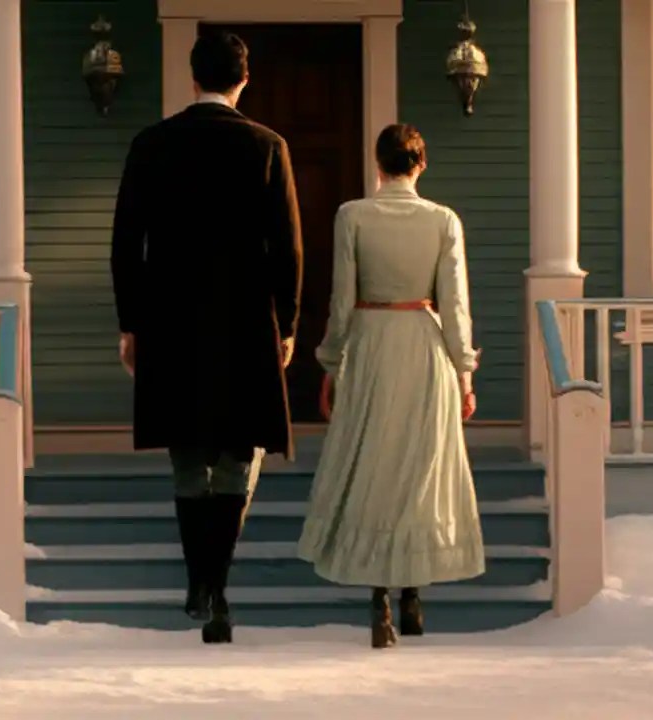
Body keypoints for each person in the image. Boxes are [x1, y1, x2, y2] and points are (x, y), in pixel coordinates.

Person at [110, 30, 303, 645]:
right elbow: (289, 248)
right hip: (246, 322)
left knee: (189, 457)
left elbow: (125, 245)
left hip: (170, 321)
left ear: (192, 78)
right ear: (244, 80)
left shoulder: (151, 144)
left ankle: (201, 582)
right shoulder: (268, 146)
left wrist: (131, 322)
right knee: (240, 456)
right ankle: (216, 587)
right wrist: (289, 322)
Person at [298, 124, 484, 649]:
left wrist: (331, 363)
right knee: (418, 471)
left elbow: (341, 300)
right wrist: (464, 371)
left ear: (378, 165)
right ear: (420, 165)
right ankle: (411, 596)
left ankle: (379, 596)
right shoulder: (443, 220)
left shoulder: (352, 216)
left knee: (375, 466)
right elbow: (455, 304)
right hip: (424, 348)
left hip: (373, 344)